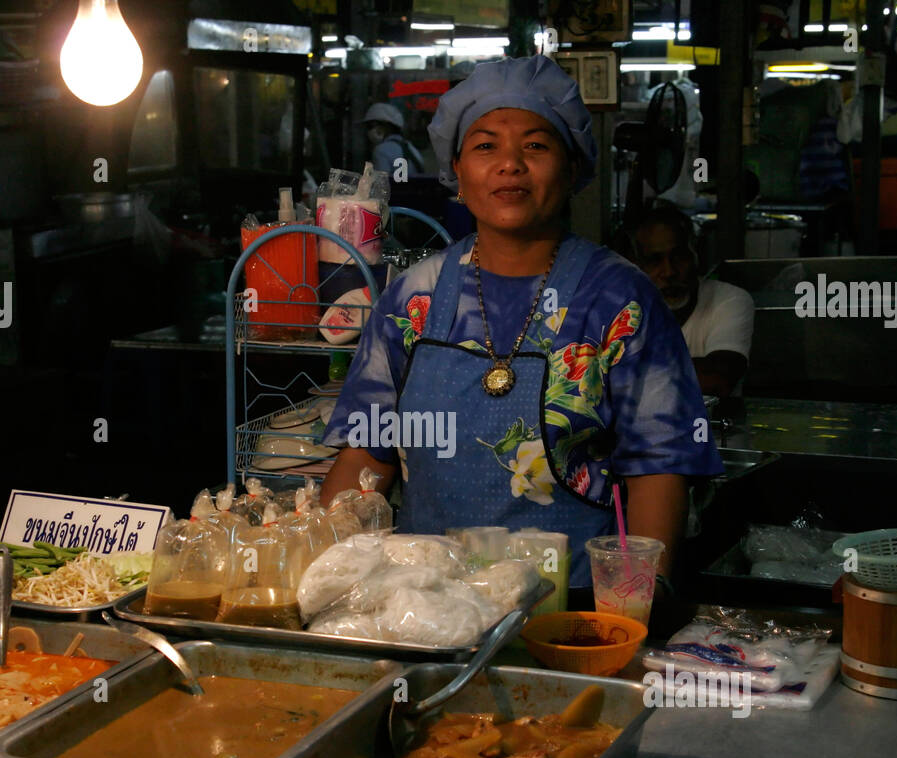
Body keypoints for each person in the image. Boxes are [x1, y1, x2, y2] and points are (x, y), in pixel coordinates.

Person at [322, 56, 722, 600]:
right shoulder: (412, 297)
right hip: (422, 609)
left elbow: (660, 468)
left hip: (571, 611)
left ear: (572, 166)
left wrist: (635, 611)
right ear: (457, 170)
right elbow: (368, 454)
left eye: (536, 145)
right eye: (486, 145)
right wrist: (332, 583)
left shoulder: (620, 300)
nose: (510, 164)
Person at [628, 204, 754, 399]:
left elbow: (716, 380)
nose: (669, 272)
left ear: (696, 255)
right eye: (655, 261)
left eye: (679, 257)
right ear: (637, 266)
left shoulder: (729, 300)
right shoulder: (622, 308)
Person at [361, 102, 426, 177]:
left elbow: (380, 184)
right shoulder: (412, 148)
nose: (368, 131)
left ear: (387, 126)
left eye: (370, 126)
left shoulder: (381, 150)